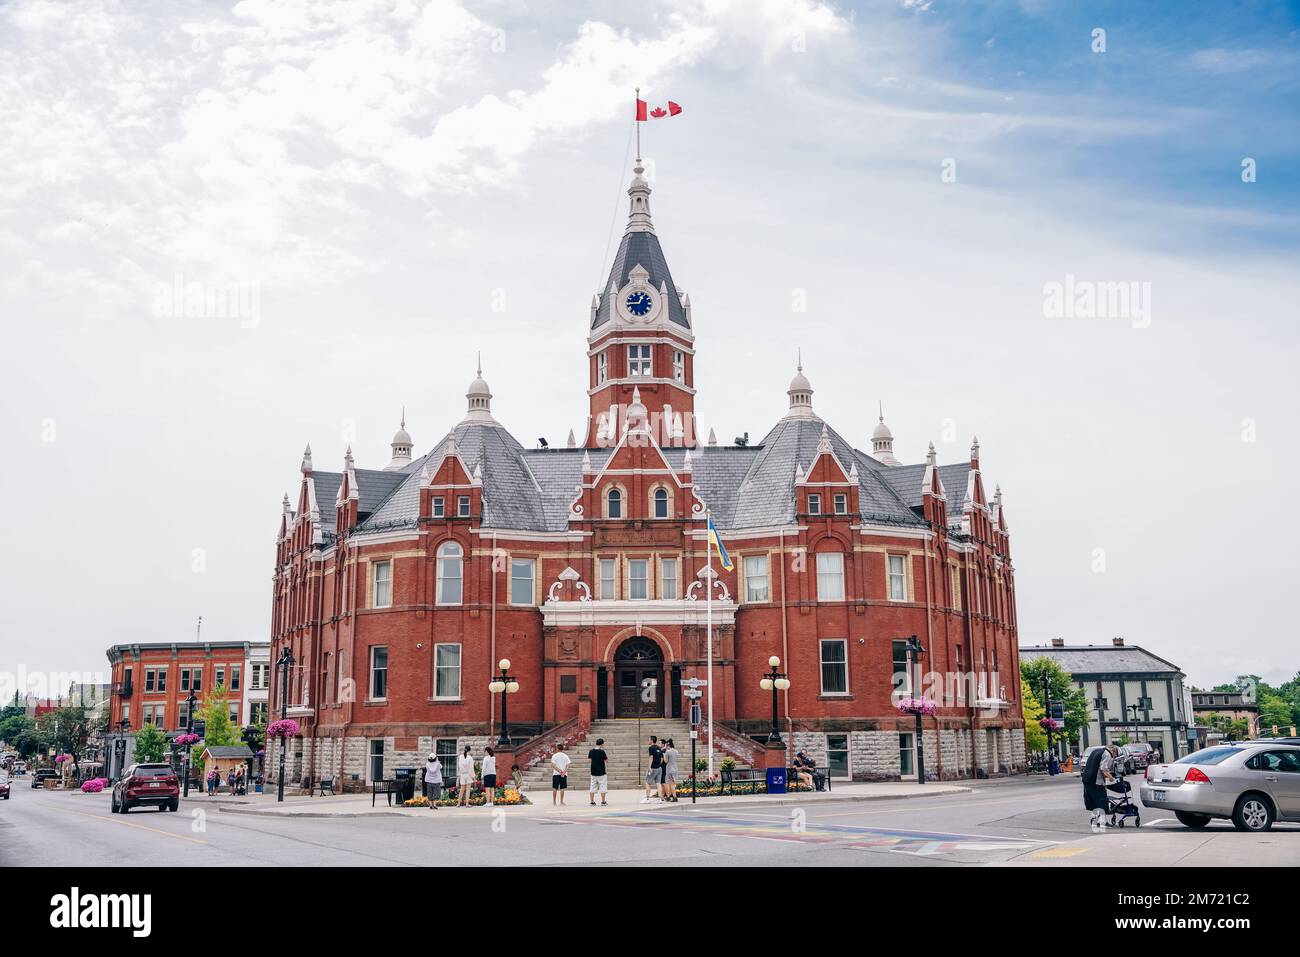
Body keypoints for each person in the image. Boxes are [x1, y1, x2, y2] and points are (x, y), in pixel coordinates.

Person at [1083, 744, 1118, 829]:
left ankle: (1095, 821)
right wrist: (1111, 778)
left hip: (1087, 779)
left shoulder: (1096, 751)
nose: (1114, 757)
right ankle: (1103, 822)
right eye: (1115, 755)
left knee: (1093, 801)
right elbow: (1104, 768)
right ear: (1113, 751)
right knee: (1101, 801)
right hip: (1096, 781)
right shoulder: (1107, 754)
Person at [587, 738, 609, 806]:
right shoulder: (602, 752)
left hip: (593, 771)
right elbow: (606, 760)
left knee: (592, 786)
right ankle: (603, 802)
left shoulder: (591, 751)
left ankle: (592, 801)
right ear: (602, 744)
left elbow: (589, 760)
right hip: (601, 772)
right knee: (603, 786)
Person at [642, 736, 663, 803]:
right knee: (658, 783)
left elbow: (651, 757)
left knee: (648, 783)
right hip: (659, 768)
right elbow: (662, 758)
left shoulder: (651, 748)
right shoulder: (658, 748)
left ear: (651, 740)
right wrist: (658, 764)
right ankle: (660, 799)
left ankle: (647, 799)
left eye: (649, 740)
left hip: (653, 768)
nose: (648, 741)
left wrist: (649, 767)